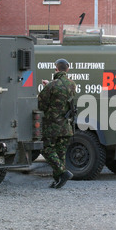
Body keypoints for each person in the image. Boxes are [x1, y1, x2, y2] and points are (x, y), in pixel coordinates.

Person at [38, 58, 77, 188]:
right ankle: (58, 180)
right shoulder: (72, 84)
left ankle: (62, 172)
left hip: (52, 126)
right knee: (61, 153)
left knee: (46, 148)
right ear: (68, 69)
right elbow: (62, 93)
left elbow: (41, 104)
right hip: (66, 125)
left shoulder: (52, 85)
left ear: (56, 69)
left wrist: (47, 86)